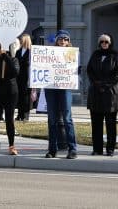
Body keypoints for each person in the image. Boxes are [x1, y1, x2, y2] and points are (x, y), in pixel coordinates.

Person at [86, 33, 118, 156]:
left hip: (111, 94)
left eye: (106, 42)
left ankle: (110, 148)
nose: (104, 44)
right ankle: (97, 148)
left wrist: (106, 84)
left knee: (111, 124)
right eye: (102, 42)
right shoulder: (95, 55)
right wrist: (96, 83)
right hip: (96, 93)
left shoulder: (116, 56)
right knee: (96, 123)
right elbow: (89, 70)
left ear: (110, 43)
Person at [44, 30, 78, 159]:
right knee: (52, 119)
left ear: (68, 41)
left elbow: (75, 69)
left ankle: (72, 149)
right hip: (51, 88)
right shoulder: (49, 54)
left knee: (67, 119)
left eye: (65, 39)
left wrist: (75, 71)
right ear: (57, 40)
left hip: (65, 88)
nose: (63, 41)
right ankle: (52, 149)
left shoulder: (72, 53)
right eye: (60, 39)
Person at [15, 34, 32, 121]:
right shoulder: (18, 51)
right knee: (20, 95)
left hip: (27, 76)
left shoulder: (31, 52)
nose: (21, 41)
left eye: (22, 39)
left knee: (26, 96)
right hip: (19, 76)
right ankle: (19, 114)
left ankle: (25, 114)